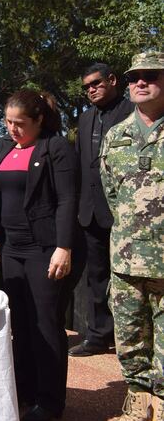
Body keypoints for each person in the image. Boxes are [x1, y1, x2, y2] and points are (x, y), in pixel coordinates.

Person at [0, 89, 77, 421]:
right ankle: (23, 389)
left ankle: (50, 399)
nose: (13, 128)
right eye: (8, 122)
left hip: (44, 249)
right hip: (10, 249)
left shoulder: (56, 147)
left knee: (45, 323)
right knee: (19, 322)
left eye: (20, 123)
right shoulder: (6, 149)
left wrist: (64, 246)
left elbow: (67, 199)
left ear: (39, 120)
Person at [100, 51, 164, 421]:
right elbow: (112, 194)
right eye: (134, 76)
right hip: (126, 259)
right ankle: (139, 408)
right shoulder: (116, 136)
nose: (141, 82)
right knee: (130, 338)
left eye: (151, 75)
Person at [70, 63, 134, 358]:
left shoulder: (134, 111)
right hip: (90, 212)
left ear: (112, 80)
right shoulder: (85, 119)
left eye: (96, 83)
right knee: (97, 277)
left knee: (128, 279)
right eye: (86, 87)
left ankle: (131, 337)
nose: (91, 90)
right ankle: (98, 336)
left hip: (125, 213)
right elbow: (80, 165)